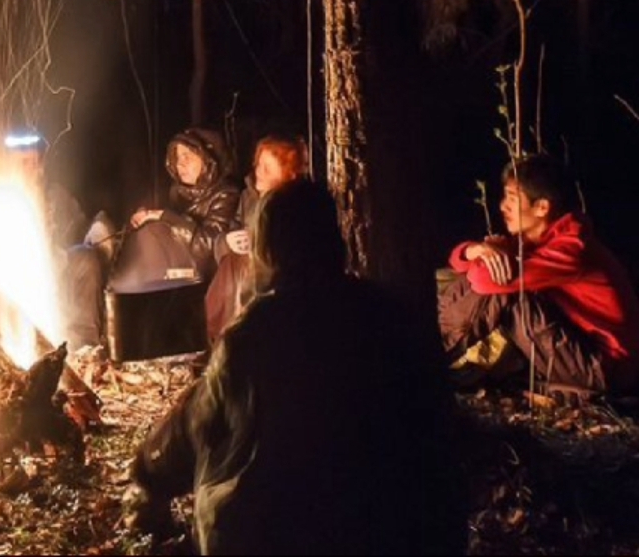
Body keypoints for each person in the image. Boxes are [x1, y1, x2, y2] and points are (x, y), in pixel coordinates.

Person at [124, 179, 465, 555]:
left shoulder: (254, 335)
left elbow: (195, 426)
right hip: (396, 534)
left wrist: (145, 474)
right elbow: (439, 430)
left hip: (273, 537)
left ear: (268, 251)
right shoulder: (390, 315)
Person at [439, 154, 639, 398]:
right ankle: (434, 349)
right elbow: (456, 261)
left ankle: (435, 357)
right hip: (575, 349)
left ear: (542, 207)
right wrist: (476, 250)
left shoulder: (571, 249)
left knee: (508, 292)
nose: (502, 206)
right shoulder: (534, 239)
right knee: (453, 277)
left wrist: (486, 258)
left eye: (512, 199)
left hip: (602, 367)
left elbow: (486, 282)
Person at [62, 127, 239, 350]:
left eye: (187, 157)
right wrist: (149, 217)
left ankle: (124, 303)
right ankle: (116, 298)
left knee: (151, 233)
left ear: (207, 160)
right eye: (176, 157)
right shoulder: (179, 192)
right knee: (141, 234)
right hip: (173, 271)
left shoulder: (225, 193)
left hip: (204, 272)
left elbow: (207, 245)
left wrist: (162, 216)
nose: (180, 164)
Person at [204, 135, 306, 344]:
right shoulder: (247, 198)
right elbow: (224, 239)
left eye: (267, 169)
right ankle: (217, 337)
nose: (258, 172)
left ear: (289, 173)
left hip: (274, 288)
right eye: (258, 165)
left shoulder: (297, 206)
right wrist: (227, 242)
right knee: (231, 264)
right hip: (239, 280)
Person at [3, 128, 86, 263]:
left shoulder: (57, 196)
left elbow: (80, 228)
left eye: (35, 162)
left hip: (56, 273)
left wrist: (96, 228)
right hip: (11, 269)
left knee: (84, 258)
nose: (32, 169)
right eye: (24, 162)